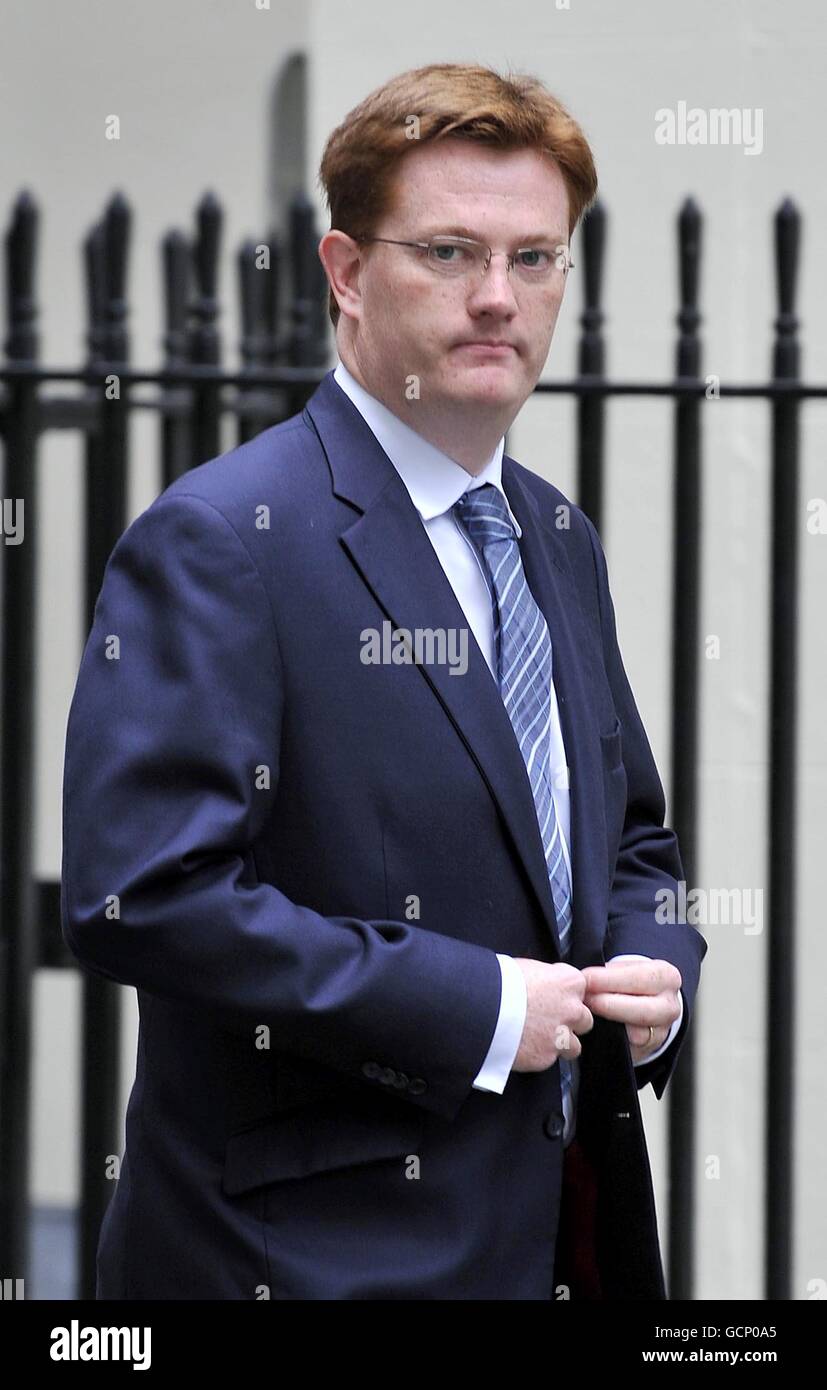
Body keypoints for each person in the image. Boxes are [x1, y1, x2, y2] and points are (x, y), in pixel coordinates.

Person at [61, 61, 707, 1301]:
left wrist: (651, 969)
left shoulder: (552, 534)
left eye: (534, 259)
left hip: (561, 1239)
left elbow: (628, 836)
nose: (495, 298)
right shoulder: (224, 537)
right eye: (450, 252)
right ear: (346, 274)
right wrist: (469, 1004)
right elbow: (140, 894)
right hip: (306, 1258)